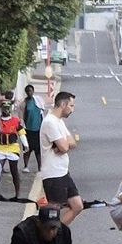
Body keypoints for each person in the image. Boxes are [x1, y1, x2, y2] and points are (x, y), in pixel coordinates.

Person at [40, 91, 83, 224]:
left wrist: (62, 144)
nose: (72, 109)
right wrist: (63, 145)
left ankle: (58, 235)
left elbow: (72, 143)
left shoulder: (59, 121)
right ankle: (51, 239)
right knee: (55, 211)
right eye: (71, 105)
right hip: (53, 174)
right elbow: (64, 147)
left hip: (63, 172)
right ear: (63, 104)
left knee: (77, 205)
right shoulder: (50, 122)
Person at [0, 99, 24, 201]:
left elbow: (21, 132)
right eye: (4, 108)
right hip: (0, 148)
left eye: (8, 108)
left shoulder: (15, 120)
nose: (6, 110)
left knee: (14, 171)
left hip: (12, 147)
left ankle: (18, 194)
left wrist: (25, 144)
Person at [21, 83, 46, 171]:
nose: (29, 93)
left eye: (30, 91)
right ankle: (26, 166)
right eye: (27, 91)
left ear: (33, 91)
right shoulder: (24, 103)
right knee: (27, 148)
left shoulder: (38, 101)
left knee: (38, 150)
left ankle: (40, 167)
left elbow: (42, 113)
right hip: (28, 129)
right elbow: (22, 115)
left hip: (38, 129)